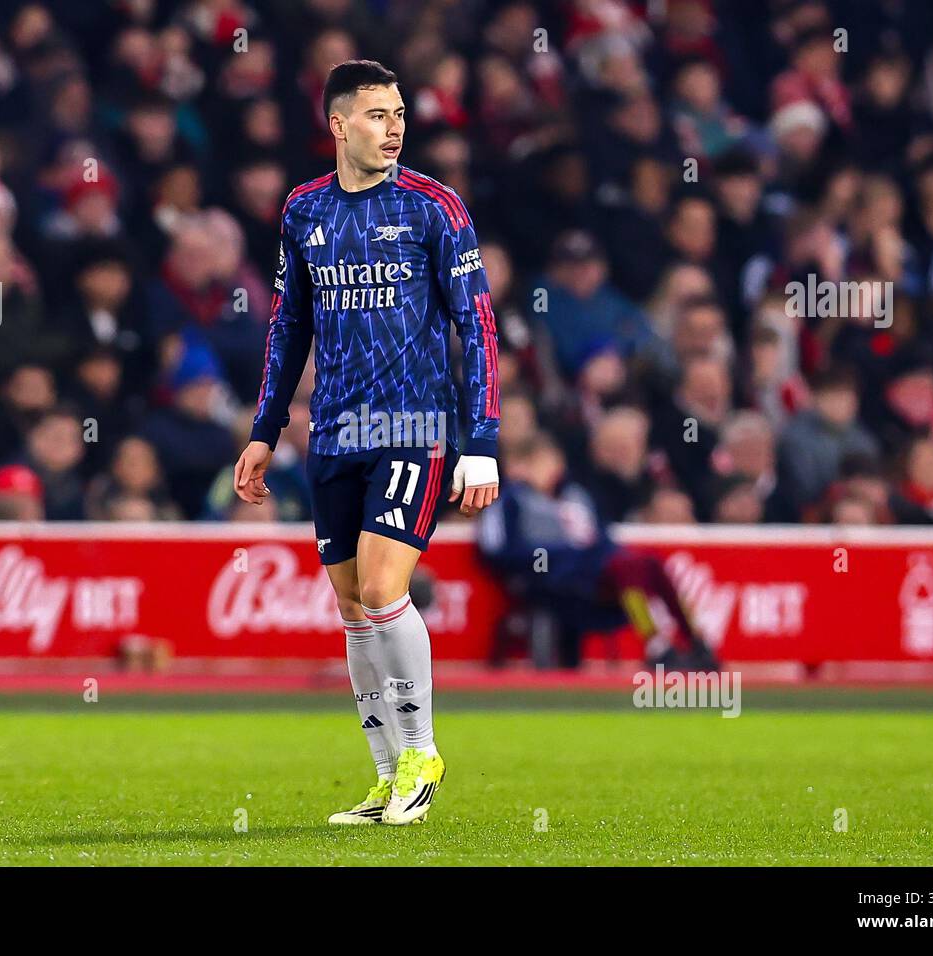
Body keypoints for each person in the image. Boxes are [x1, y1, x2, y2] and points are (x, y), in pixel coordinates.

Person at [232, 61, 500, 826]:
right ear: (339, 124)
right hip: (336, 432)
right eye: (378, 114)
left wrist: (481, 440)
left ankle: (421, 751)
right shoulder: (303, 210)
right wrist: (265, 429)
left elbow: (476, 325)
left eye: (400, 113)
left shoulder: (433, 207)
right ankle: (386, 778)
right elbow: (289, 325)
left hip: (415, 426)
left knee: (385, 592)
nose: (395, 127)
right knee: (352, 609)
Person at [478, 432, 720, 672]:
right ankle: (656, 646)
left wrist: (599, 554)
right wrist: (557, 556)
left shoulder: (576, 496)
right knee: (627, 569)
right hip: (551, 578)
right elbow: (497, 550)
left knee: (648, 564)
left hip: (593, 570)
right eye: (537, 463)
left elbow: (602, 538)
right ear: (517, 467)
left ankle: (695, 641)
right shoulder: (508, 501)